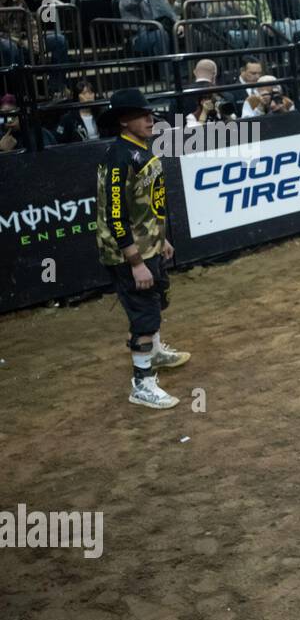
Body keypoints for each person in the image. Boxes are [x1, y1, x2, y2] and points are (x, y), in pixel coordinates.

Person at [94, 88, 189, 409]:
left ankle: (156, 352)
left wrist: (160, 238)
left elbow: (146, 205)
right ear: (123, 121)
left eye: (150, 113)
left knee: (156, 299)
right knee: (144, 315)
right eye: (141, 115)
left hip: (149, 245)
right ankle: (142, 383)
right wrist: (134, 261)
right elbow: (116, 216)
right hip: (128, 254)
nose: (151, 119)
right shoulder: (118, 159)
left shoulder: (140, 149)